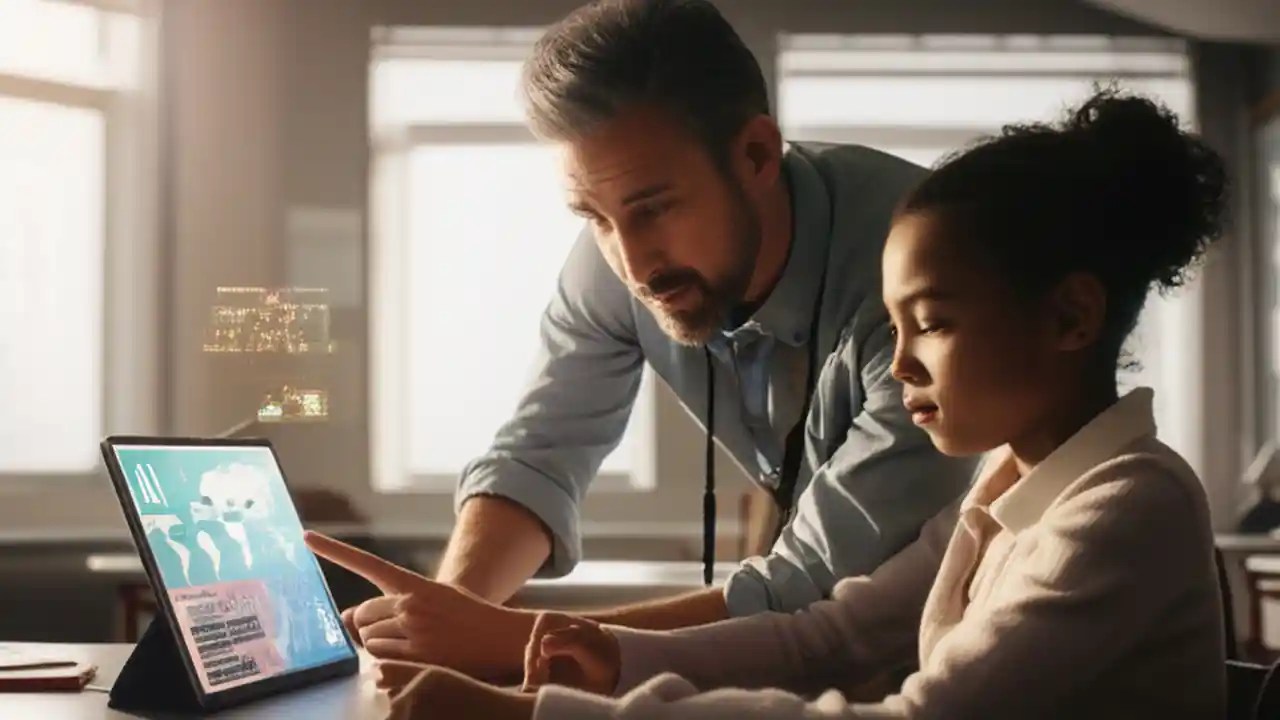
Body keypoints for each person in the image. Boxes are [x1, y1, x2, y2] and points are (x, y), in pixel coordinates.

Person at [375, 88, 1231, 719]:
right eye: (894, 325)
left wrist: (539, 714)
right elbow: (831, 636)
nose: (900, 364)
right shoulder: (1007, 492)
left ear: (1071, 317)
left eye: (931, 324)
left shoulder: (1128, 506)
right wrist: (612, 656)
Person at [304, 0, 976, 681]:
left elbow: (810, 581)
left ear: (756, 155)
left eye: (655, 208)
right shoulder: (618, 259)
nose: (633, 264)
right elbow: (539, 458)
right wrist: (446, 617)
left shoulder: (921, 278)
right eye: (594, 217)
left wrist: (509, 642)